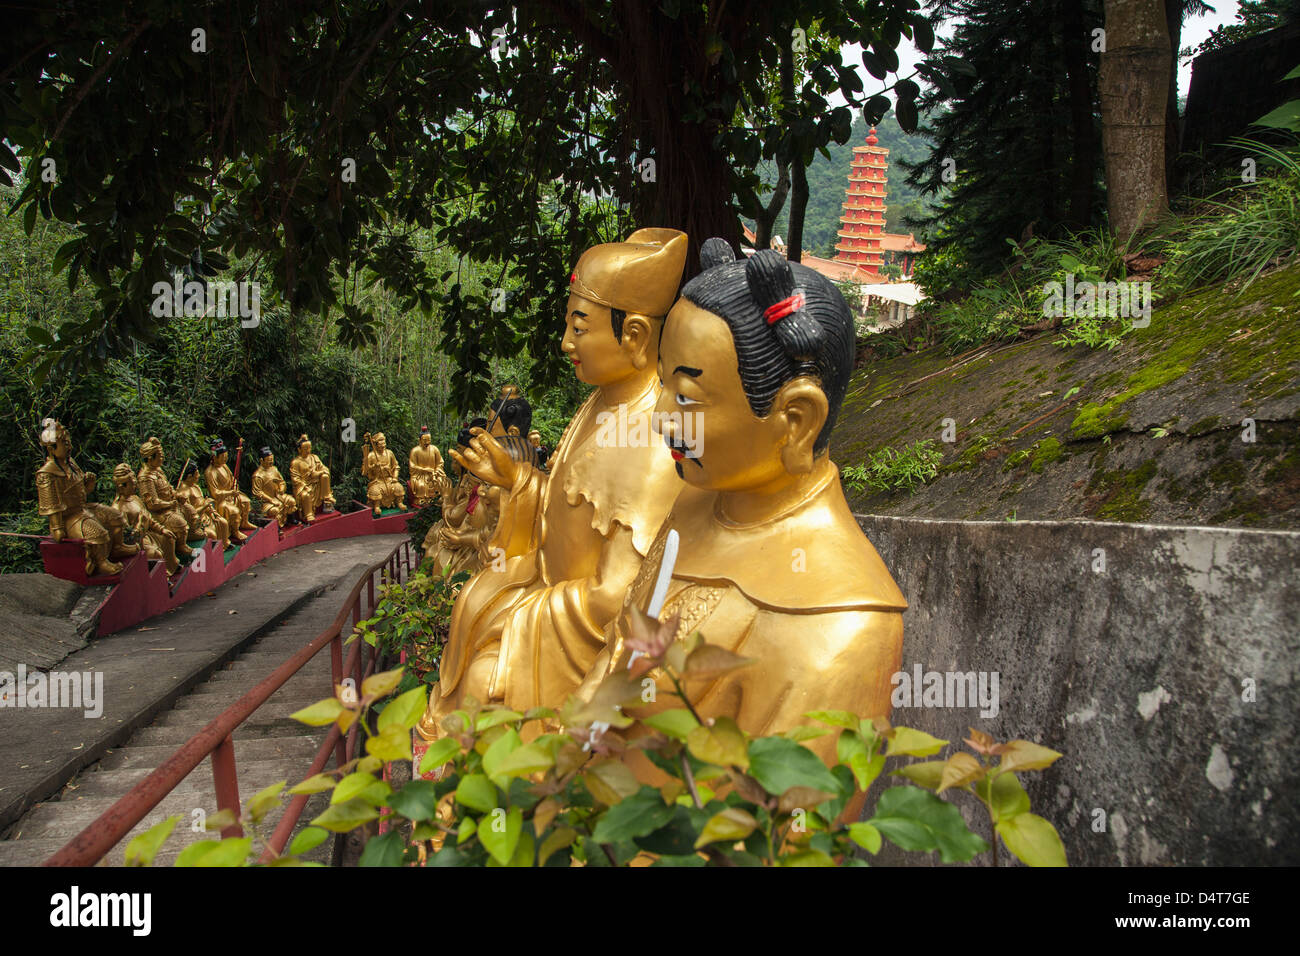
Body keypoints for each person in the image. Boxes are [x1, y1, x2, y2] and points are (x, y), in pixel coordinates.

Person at [576, 242, 908, 772]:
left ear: (796, 420)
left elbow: (780, 838)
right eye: (663, 385)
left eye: (685, 397)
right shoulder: (693, 503)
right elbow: (619, 645)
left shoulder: (841, 622)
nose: (661, 418)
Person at [418, 227, 687, 739]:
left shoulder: (653, 436)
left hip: (581, 636)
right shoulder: (602, 402)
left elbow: (619, 599)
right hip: (550, 591)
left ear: (633, 336)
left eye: (579, 328)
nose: (566, 343)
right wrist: (521, 480)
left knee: (480, 684)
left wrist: (519, 619)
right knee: (471, 603)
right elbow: (572, 507)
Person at [35, 419, 137, 576]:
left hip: (83, 509)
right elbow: (52, 506)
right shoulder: (47, 474)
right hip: (68, 518)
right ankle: (101, 561)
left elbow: (81, 492)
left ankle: (118, 546)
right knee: (97, 533)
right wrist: (57, 529)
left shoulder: (71, 464)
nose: (70, 447)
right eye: (65, 444)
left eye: (69, 443)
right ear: (52, 448)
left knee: (115, 516)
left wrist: (87, 485)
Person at [111, 462, 179, 574]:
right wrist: (140, 524)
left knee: (169, 538)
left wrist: (161, 529)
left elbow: (149, 518)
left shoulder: (135, 498)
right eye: (132, 483)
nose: (135, 485)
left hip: (147, 535)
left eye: (134, 482)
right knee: (155, 554)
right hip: (137, 543)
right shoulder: (118, 509)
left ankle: (171, 568)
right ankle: (161, 578)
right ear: (121, 487)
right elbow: (127, 539)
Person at [137, 437, 196, 545]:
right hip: (159, 513)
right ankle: (181, 545)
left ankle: (192, 534)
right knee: (180, 523)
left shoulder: (158, 470)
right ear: (150, 458)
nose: (162, 459)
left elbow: (169, 488)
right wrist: (169, 504)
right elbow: (152, 503)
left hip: (171, 505)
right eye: (160, 457)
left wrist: (177, 496)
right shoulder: (145, 478)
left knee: (190, 509)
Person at [205, 439, 254, 542]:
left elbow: (232, 479)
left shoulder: (225, 466)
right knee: (234, 511)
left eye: (226, 457)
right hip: (221, 501)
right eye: (223, 457)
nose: (225, 459)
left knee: (245, 501)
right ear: (215, 457)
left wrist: (234, 485)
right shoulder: (210, 472)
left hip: (231, 494)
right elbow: (215, 493)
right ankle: (235, 531)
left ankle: (244, 522)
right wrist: (230, 493)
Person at [178, 462, 231, 549]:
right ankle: (214, 553)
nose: (199, 476)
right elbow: (189, 514)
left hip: (205, 516)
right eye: (197, 474)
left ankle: (224, 546)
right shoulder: (183, 493)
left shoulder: (196, 487)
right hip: (195, 523)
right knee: (212, 534)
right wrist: (205, 506)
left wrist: (211, 512)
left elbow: (203, 502)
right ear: (189, 477)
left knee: (223, 522)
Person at [290, 434, 335, 522]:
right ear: (299, 450)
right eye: (305, 449)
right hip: (304, 485)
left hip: (317, 482)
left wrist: (322, 472)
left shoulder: (314, 457)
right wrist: (305, 486)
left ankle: (327, 498)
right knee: (305, 495)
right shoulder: (296, 462)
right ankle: (309, 514)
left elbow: (323, 467)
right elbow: (295, 479)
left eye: (309, 448)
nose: (308, 451)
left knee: (325, 476)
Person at [362, 432, 406, 516]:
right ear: (375, 445)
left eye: (384, 445)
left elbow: (396, 466)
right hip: (377, 480)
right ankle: (377, 506)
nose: (383, 447)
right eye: (380, 445)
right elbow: (365, 471)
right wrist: (374, 466)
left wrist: (395, 477)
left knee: (398, 487)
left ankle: (399, 502)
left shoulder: (389, 453)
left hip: (389, 479)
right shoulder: (371, 455)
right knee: (375, 491)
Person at [251, 447, 299, 525]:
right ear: (261, 460)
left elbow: (281, 482)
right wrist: (270, 500)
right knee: (275, 510)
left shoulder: (274, 469)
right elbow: (257, 492)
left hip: (278, 496)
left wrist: (281, 489)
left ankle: (291, 520)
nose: (271, 462)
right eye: (269, 460)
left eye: (272, 460)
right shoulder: (257, 475)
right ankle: (277, 528)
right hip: (266, 502)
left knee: (291, 501)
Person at [408, 426, 448, 509]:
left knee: (441, 481)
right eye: (425, 440)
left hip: (434, 473)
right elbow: (412, 466)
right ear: (419, 440)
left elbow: (440, 462)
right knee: (421, 485)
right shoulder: (415, 451)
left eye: (429, 440)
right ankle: (422, 499)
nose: (427, 442)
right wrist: (424, 469)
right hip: (421, 475)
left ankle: (438, 498)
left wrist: (437, 470)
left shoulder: (434, 449)